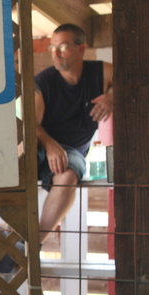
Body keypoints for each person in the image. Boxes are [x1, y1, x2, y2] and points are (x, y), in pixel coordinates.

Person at [35, 23, 113, 244]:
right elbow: (29, 124)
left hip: (74, 152)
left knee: (69, 176)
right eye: (52, 47)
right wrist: (49, 145)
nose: (56, 53)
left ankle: (33, 245)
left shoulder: (100, 72)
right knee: (10, 166)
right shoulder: (43, 83)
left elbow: (133, 81)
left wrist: (113, 96)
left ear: (81, 49)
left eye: (63, 47)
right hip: (39, 144)